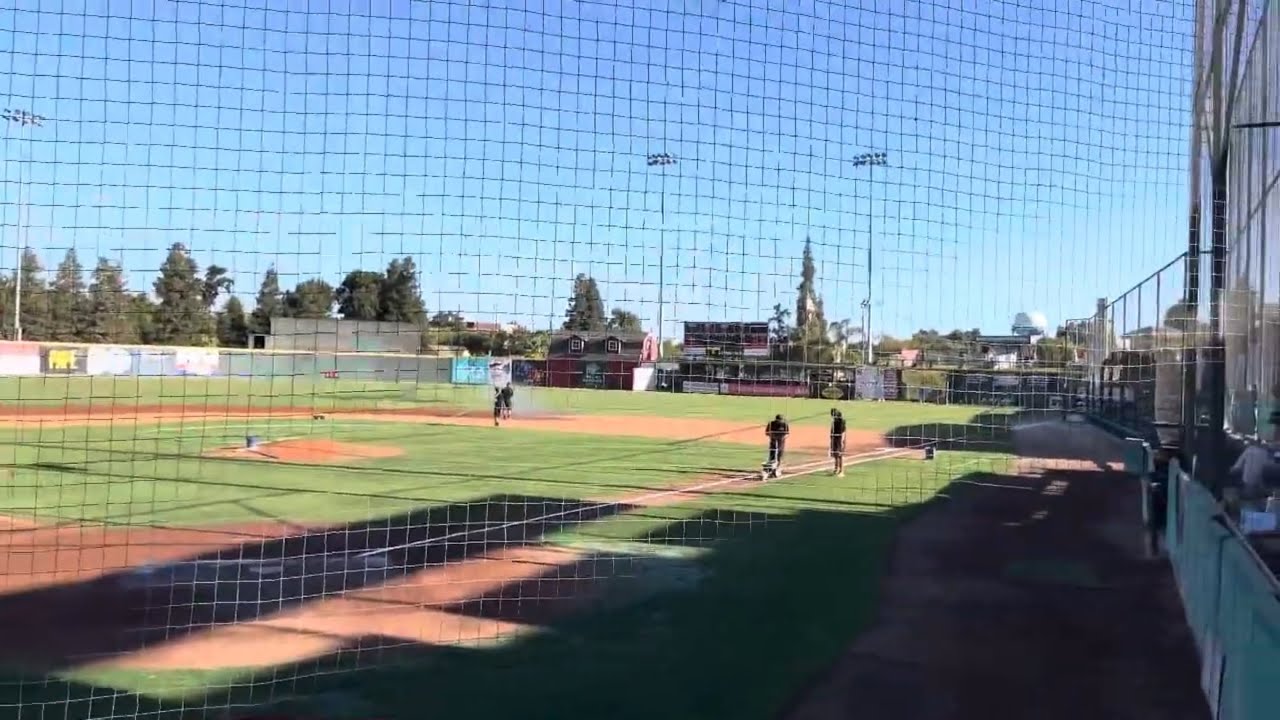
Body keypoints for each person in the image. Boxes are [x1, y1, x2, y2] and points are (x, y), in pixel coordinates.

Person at [764, 413, 790, 478]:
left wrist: (781, 437)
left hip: (781, 441)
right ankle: (770, 468)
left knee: (779, 454)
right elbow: (767, 432)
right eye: (779, 420)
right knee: (772, 453)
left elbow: (787, 434)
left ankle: (778, 468)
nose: (779, 421)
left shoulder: (784, 424)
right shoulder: (771, 423)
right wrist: (772, 435)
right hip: (773, 440)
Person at [829, 407, 847, 476]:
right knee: (835, 454)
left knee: (840, 455)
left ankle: (841, 470)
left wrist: (842, 441)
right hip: (835, 438)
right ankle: (836, 468)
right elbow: (832, 430)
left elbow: (843, 431)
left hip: (840, 439)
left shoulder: (841, 421)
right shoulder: (834, 421)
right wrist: (831, 438)